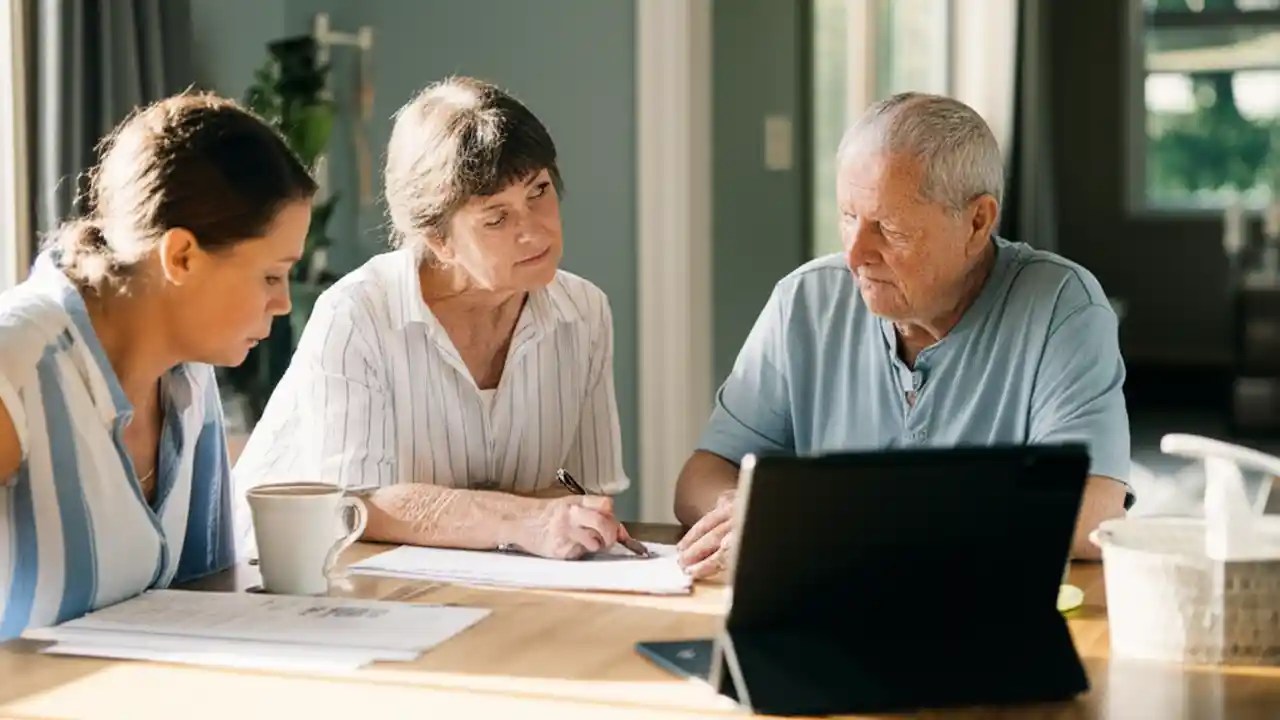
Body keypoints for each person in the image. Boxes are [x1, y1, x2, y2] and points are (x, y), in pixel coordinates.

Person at [675, 92, 1130, 578]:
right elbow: (699, 479)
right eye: (849, 217)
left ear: (977, 222)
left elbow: (1093, 514)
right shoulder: (804, 302)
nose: (855, 254)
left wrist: (829, 520)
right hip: (825, 614)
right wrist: (742, 507)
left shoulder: (1063, 304)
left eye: (888, 228)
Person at [234, 76, 631, 560]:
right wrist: (523, 517)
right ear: (437, 239)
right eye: (496, 218)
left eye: (539, 191)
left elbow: (582, 492)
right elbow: (354, 503)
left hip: (477, 577)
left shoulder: (584, 314)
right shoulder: (357, 314)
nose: (534, 230)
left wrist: (565, 516)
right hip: (285, 583)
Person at [0, 94, 315, 639]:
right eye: (271, 275)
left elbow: (202, 598)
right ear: (181, 257)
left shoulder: (190, 379)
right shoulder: (19, 363)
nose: (283, 303)